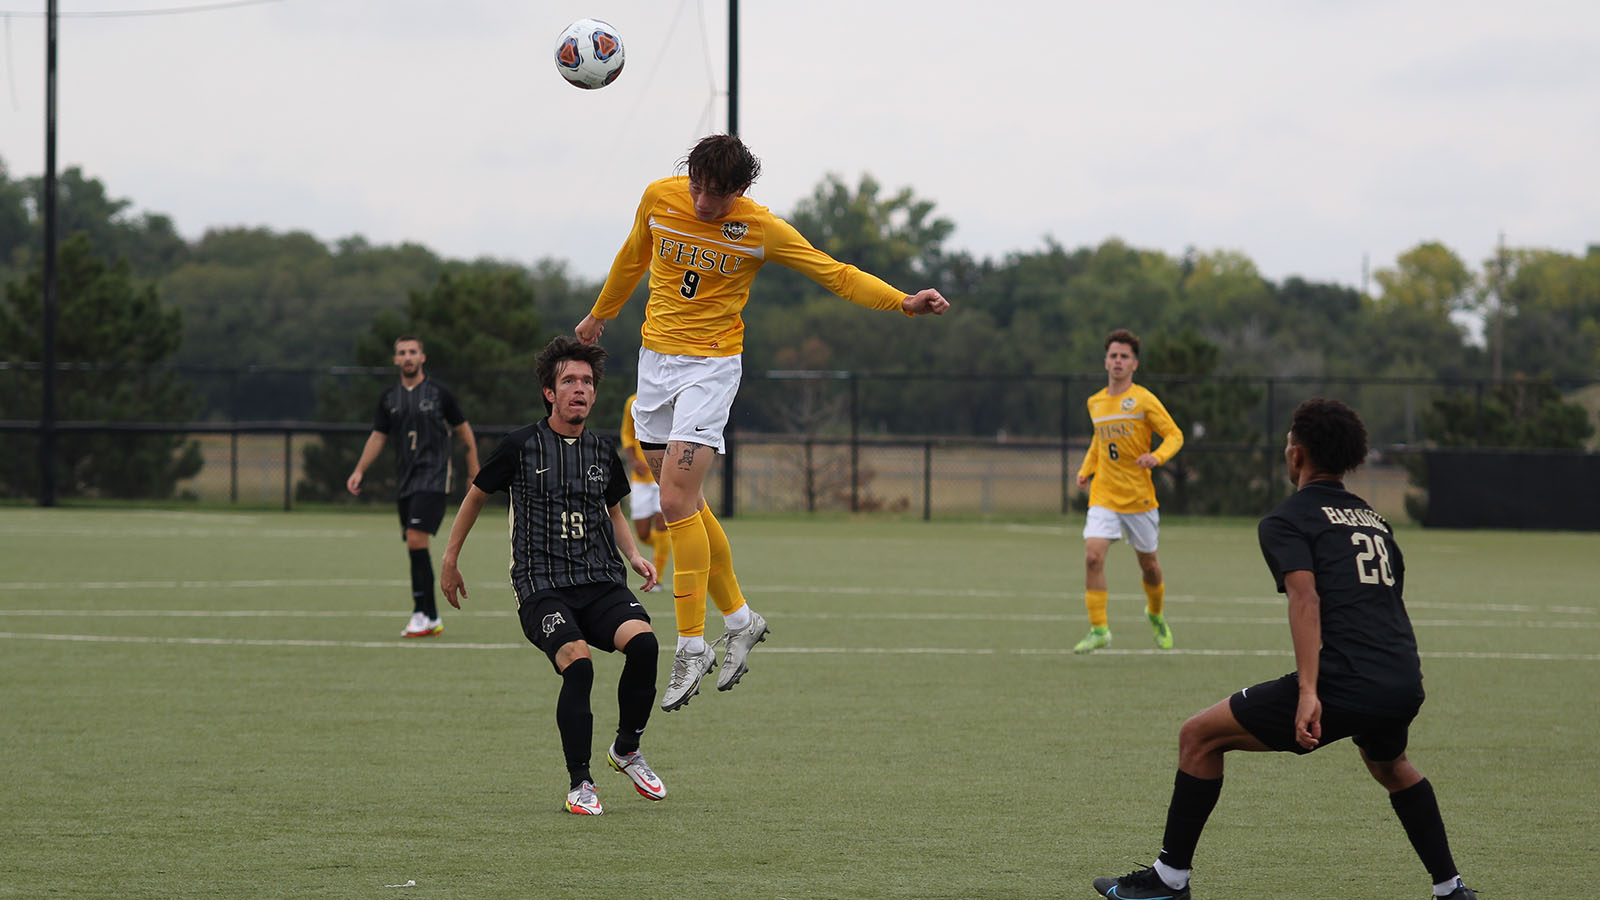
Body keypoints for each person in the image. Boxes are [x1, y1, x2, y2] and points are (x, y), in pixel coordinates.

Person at [575, 133, 950, 711]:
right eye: (698, 187)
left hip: (711, 367)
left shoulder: (760, 228)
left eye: (718, 194)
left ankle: (692, 645)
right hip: (654, 363)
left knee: (674, 502)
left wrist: (902, 300)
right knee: (689, 505)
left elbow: (837, 273)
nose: (703, 202)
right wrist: (601, 314)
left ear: (741, 189)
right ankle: (742, 620)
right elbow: (631, 258)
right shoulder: (659, 198)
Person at [1090, 398, 1475, 900]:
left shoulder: (1288, 519)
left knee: (1198, 737)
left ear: (1298, 455)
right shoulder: (1373, 520)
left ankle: (1168, 881)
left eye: (1290, 440)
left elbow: (1304, 596)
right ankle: (1451, 889)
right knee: (1390, 765)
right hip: (1402, 677)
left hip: (1345, 680)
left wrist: (1310, 691)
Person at [438, 336, 663, 817]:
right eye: (568, 381)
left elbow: (615, 512)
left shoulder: (603, 450)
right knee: (578, 665)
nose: (579, 389)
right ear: (549, 392)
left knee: (644, 645)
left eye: (586, 381)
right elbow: (476, 495)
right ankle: (581, 784)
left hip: (601, 578)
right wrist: (450, 558)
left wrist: (635, 555)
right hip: (541, 585)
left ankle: (627, 749)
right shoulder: (519, 445)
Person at [347, 334, 479, 638]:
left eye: (413, 352)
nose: (407, 357)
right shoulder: (389, 398)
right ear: (395, 360)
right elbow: (378, 436)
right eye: (402, 352)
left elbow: (464, 431)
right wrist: (359, 470)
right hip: (405, 480)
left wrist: (474, 470)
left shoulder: (439, 394)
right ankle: (428, 616)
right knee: (414, 543)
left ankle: (424, 614)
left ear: (422, 357)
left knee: (416, 537)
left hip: (432, 479)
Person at [1073, 328, 1184, 653]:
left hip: (1139, 498)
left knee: (1149, 565)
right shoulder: (1095, 402)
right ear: (1106, 361)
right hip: (1104, 495)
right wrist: (1086, 469)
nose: (1118, 361)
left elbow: (1175, 435)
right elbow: (1099, 441)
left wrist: (1157, 456)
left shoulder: (1144, 400)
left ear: (1134, 364)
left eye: (1124, 357)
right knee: (1093, 557)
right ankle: (1099, 629)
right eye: (1113, 356)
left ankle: (1156, 612)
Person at [620, 392, 672, 591]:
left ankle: (656, 577)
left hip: (665, 476)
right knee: (642, 534)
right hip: (641, 478)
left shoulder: (672, 401)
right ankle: (664, 546)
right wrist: (633, 461)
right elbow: (626, 433)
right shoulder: (632, 402)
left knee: (661, 524)